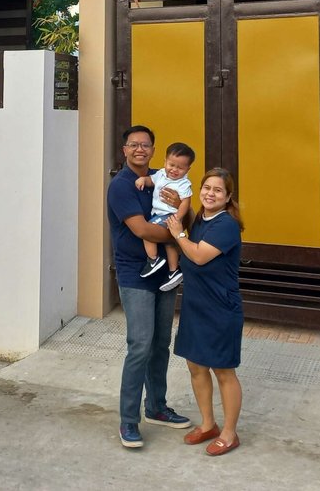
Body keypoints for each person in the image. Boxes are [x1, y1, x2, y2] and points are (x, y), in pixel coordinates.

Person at [107, 125, 192, 448]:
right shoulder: (121, 186)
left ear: (154, 150)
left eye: (146, 144)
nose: (140, 149)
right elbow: (142, 229)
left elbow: (189, 213)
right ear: (124, 150)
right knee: (140, 344)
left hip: (164, 275)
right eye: (133, 144)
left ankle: (156, 406)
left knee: (160, 344)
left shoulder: (165, 177)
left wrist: (183, 210)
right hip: (135, 273)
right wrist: (178, 235)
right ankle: (129, 420)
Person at [166, 167, 245, 457]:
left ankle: (229, 433)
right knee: (196, 366)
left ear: (228, 197)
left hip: (221, 309)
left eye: (218, 190)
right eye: (206, 188)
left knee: (223, 370)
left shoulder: (226, 224)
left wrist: (178, 234)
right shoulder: (201, 218)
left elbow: (198, 256)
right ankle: (208, 424)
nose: (210, 194)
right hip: (195, 307)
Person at [134, 142, 195, 291]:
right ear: (165, 162)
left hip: (168, 215)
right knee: (170, 243)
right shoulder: (161, 174)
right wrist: (143, 179)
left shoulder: (183, 183)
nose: (174, 170)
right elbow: (151, 180)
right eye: (171, 165)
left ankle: (153, 259)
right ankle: (173, 271)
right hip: (161, 215)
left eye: (180, 168)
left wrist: (177, 218)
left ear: (188, 169)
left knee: (147, 233)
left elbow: (185, 203)